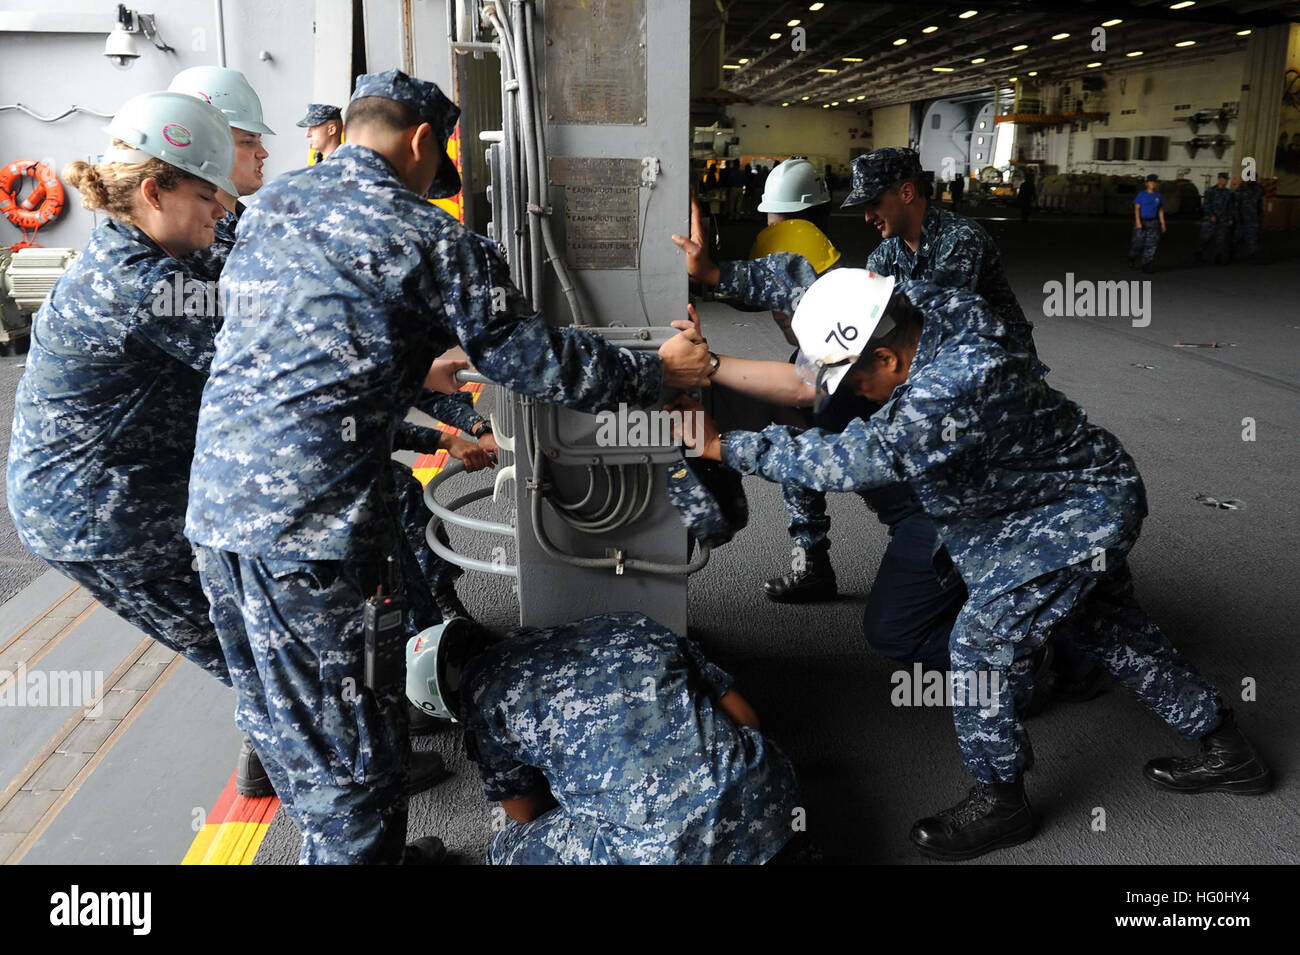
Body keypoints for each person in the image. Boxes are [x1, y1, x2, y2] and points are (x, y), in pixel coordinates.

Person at [185, 69, 710, 864]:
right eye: (436, 168)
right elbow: (529, 357)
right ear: (423, 140)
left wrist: (404, 364)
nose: (433, 183)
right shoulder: (428, 235)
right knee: (358, 762)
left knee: (284, 722)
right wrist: (657, 372)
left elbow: (303, 341)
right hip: (313, 539)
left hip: (217, 517)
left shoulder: (274, 206)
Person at [670, 269, 1271, 860]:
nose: (845, 393)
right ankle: (1230, 752)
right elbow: (820, 289)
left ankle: (1002, 803)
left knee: (981, 645)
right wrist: (715, 280)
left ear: (887, 357)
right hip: (1060, 492)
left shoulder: (951, 388)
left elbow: (852, 461)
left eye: (850, 379)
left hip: (1071, 516)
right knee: (1108, 626)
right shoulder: (931, 307)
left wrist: (721, 444)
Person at [5, 92, 256, 792]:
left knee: (254, 638)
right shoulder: (140, 284)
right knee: (258, 653)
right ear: (154, 192)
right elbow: (270, 367)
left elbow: (246, 297)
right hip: (102, 513)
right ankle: (342, 803)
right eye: (207, 196)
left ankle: (292, 752)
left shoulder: (155, 253)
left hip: (127, 489)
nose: (220, 211)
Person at [407, 611, 802, 864]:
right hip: (769, 801)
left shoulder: (481, 699)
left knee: (507, 847)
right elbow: (748, 719)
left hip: (664, 852)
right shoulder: (625, 623)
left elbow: (526, 811)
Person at [167, 66, 274, 281]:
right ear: (205, 146)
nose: (263, 153)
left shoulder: (250, 222)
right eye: (248, 141)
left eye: (259, 141)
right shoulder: (189, 239)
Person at [1129, 173, 1165, 273]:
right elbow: (1137, 208)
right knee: (1138, 244)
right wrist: (1138, 222)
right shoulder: (1141, 195)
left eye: (1154, 182)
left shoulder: (1158, 196)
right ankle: (1132, 257)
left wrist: (1162, 223)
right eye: (1150, 182)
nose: (1153, 184)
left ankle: (1146, 265)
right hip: (1142, 221)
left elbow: (1160, 210)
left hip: (1153, 222)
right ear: (1147, 184)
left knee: (1152, 245)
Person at [1195, 172, 1233, 265]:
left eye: (1226, 180)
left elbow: (1230, 207)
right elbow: (1206, 205)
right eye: (1223, 179)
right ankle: (1199, 254)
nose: (1225, 181)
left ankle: (1218, 258)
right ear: (1219, 179)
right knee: (1205, 238)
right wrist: (1211, 215)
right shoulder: (1210, 191)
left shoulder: (1228, 193)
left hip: (1223, 219)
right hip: (1210, 219)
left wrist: (1230, 218)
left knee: (1221, 239)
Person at [1230, 173, 1264, 260]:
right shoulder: (1240, 190)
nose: (1253, 180)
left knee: (1252, 237)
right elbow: (1235, 205)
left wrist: (1260, 215)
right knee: (1237, 237)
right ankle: (1231, 253)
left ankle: (1253, 254)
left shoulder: (1258, 189)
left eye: (1254, 178)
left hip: (1253, 219)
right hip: (1241, 218)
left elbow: (1260, 203)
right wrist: (1237, 217)